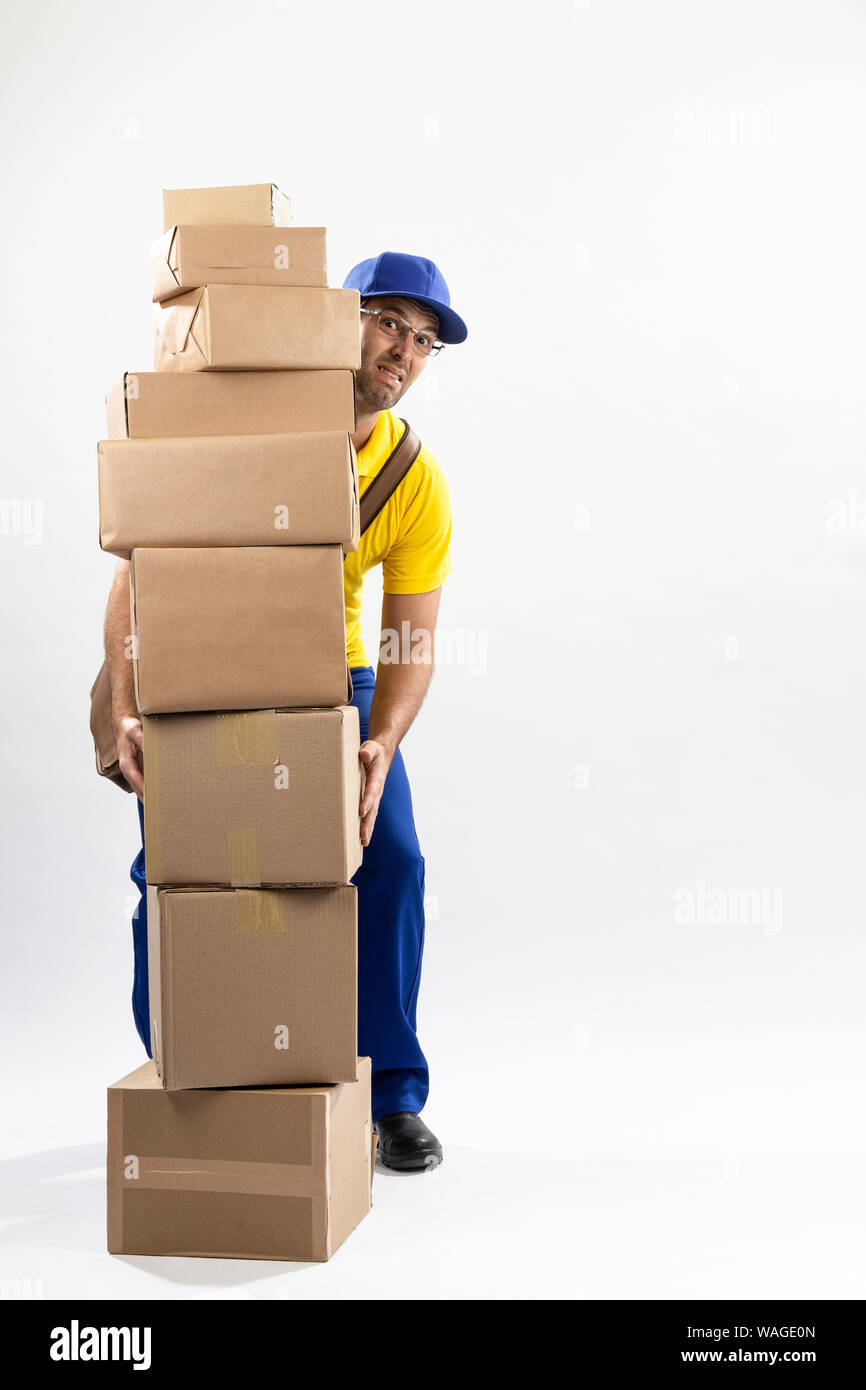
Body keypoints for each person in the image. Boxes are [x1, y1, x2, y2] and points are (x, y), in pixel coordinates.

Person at [103, 251, 467, 1172]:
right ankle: (186, 1069)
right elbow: (140, 562)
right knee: (183, 869)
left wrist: (380, 740)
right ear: (333, 320)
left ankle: (391, 1096)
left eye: (423, 342)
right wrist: (129, 708)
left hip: (330, 678)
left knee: (393, 858)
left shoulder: (413, 477)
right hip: (207, 668)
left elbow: (408, 641)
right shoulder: (243, 420)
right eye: (389, 322)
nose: (404, 351)